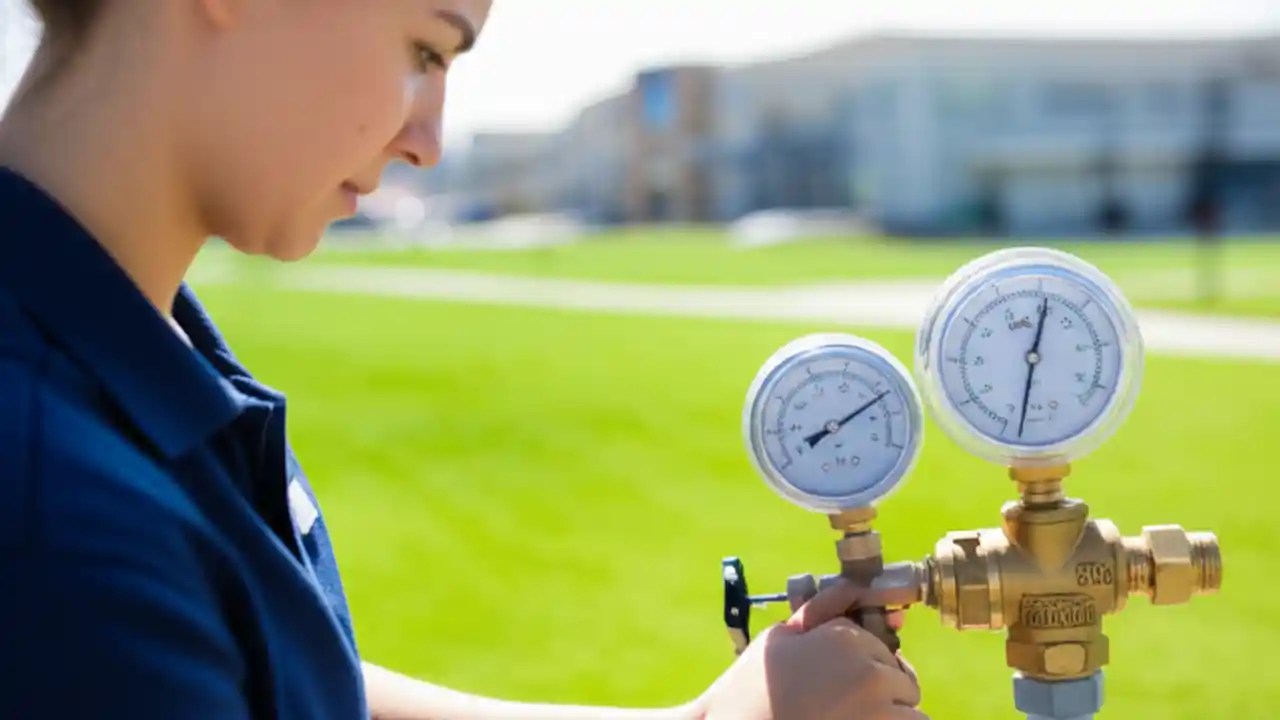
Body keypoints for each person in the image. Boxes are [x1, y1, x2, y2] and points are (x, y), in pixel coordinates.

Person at [0, 1, 926, 718]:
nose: (428, 143)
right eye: (425, 51)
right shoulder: (59, 522)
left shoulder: (124, 357)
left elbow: (276, 680)